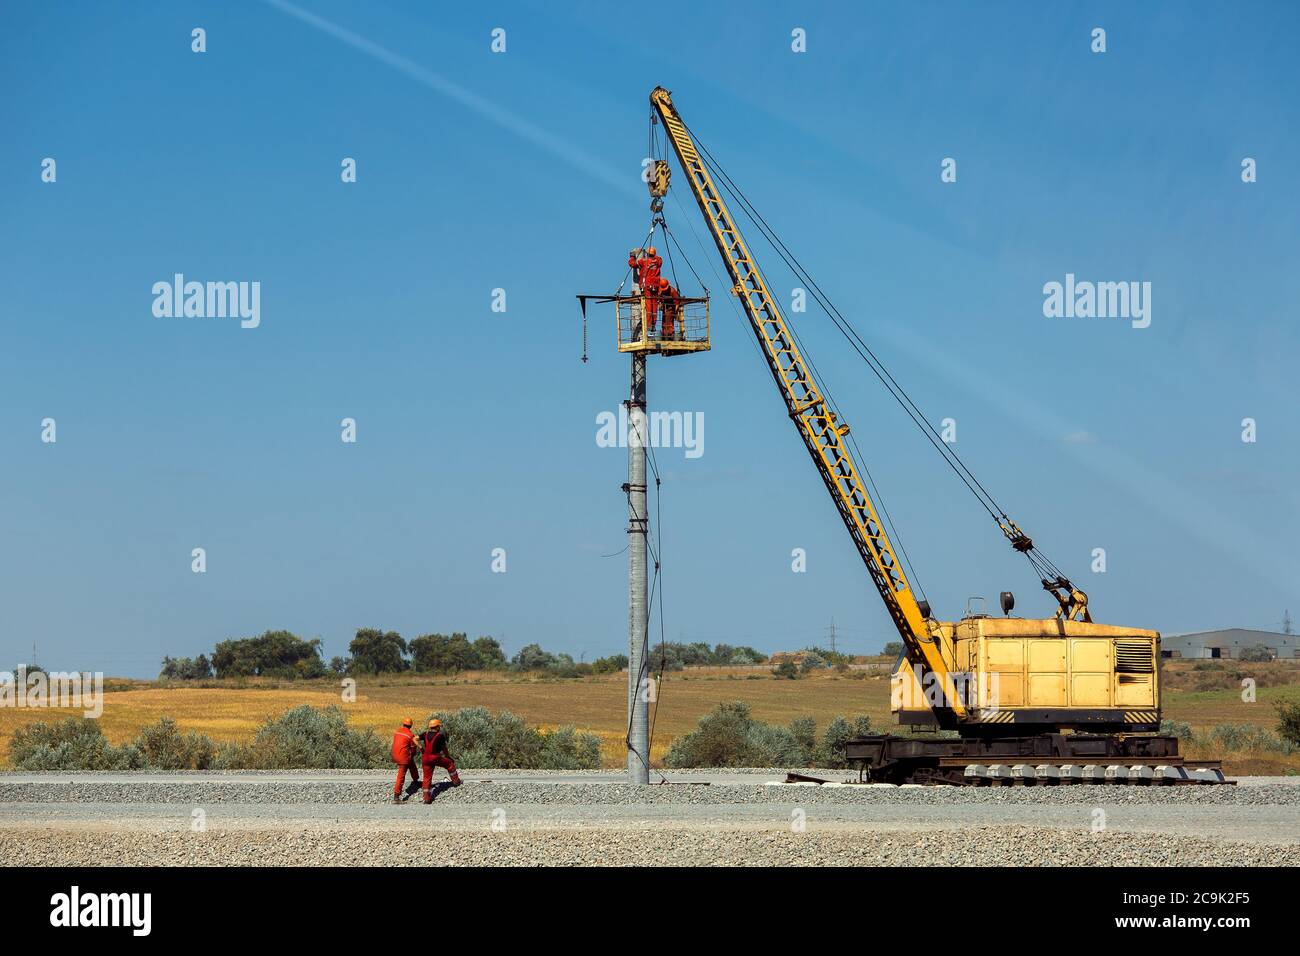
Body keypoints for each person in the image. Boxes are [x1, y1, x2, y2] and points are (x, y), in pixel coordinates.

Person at [419, 718, 462, 802]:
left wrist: (420, 747)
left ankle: (426, 797)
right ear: (437, 727)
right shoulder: (440, 736)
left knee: (427, 777)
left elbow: (415, 738)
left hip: (425, 758)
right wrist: (448, 757)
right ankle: (456, 781)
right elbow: (444, 748)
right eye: (439, 726)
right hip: (435, 758)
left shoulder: (425, 734)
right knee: (449, 764)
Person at [391, 717, 421, 803]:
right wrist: (414, 753)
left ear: (403, 724)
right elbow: (413, 748)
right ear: (411, 726)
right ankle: (396, 796)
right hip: (403, 756)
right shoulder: (410, 735)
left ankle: (416, 780)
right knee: (401, 775)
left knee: (411, 763)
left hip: (394, 754)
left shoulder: (397, 731)